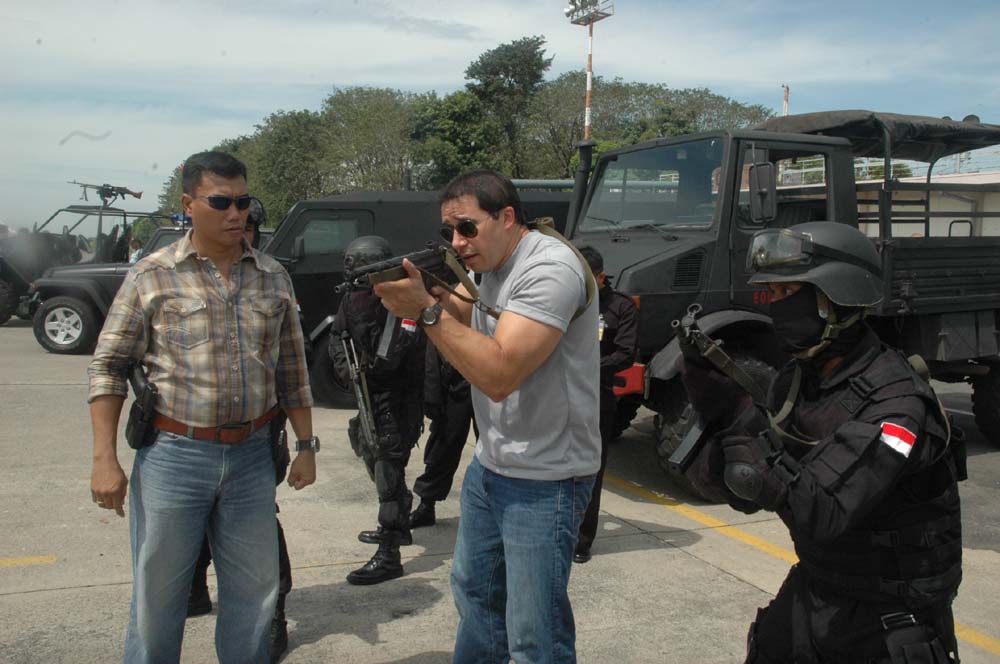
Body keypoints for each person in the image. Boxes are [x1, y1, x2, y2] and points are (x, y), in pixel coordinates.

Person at [681, 222, 963, 663]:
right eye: (771, 295)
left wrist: (755, 450)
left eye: (788, 291)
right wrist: (720, 410)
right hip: (817, 590)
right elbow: (740, 489)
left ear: (838, 297)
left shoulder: (899, 405)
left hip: (886, 622)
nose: (777, 307)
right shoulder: (800, 383)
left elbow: (824, 511)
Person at [88, 150, 318, 664]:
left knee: (255, 594)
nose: (237, 214)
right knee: (158, 599)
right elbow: (108, 367)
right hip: (174, 456)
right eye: (221, 202)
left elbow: (292, 373)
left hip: (252, 457)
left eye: (243, 202)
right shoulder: (152, 276)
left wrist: (306, 447)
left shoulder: (272, 276)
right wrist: (105, 458)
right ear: (189, 205)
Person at [374, 169, 601, 664]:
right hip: (493, 464)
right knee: (476, 598)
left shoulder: (549, 269)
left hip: (547, 475)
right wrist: (425, 292)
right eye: (448, 232)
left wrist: (425, 312)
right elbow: (466, 312)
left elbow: (499, 374)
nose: (457, 242)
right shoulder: (489, 262)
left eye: (467, 228)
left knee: (533, 632)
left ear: (507, 217)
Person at [186, 196, 294, 664]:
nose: (240, 233)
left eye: (248, 228)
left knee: (260, 528)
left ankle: (273, 615)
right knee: (191, 523)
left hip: (259, 428)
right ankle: (194, 587)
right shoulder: (176, 272)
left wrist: (296, 437)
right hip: (192, 434)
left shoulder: (270, 274)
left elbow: (289, 365)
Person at [331, 235, 425, 585]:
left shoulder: (401, 295)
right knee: (370, 452)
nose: (349, 271)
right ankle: (398, 522)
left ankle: (389, 553)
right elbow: (337, 336)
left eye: (354, 264)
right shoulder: (353, 298)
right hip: (368, 393)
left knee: (389, 468)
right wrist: (346, 369)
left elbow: (399, 347)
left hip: (397, 397)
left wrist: (372, 369)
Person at [573, 246, 638, 564]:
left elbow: (626, 353)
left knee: (591, 467)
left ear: (599, 277)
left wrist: (587, 367)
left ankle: (582, 539)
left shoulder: (619, 307)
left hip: (597, 393)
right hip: (562, 392)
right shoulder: (568, 299)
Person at [408, 343, 477, 529]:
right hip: (454, 385)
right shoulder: (444, 313)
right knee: (442, 447)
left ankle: (498, 512)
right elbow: (432, 349)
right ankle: (426, 506)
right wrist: (432, 394)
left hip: (488, 383)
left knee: (496, 452)